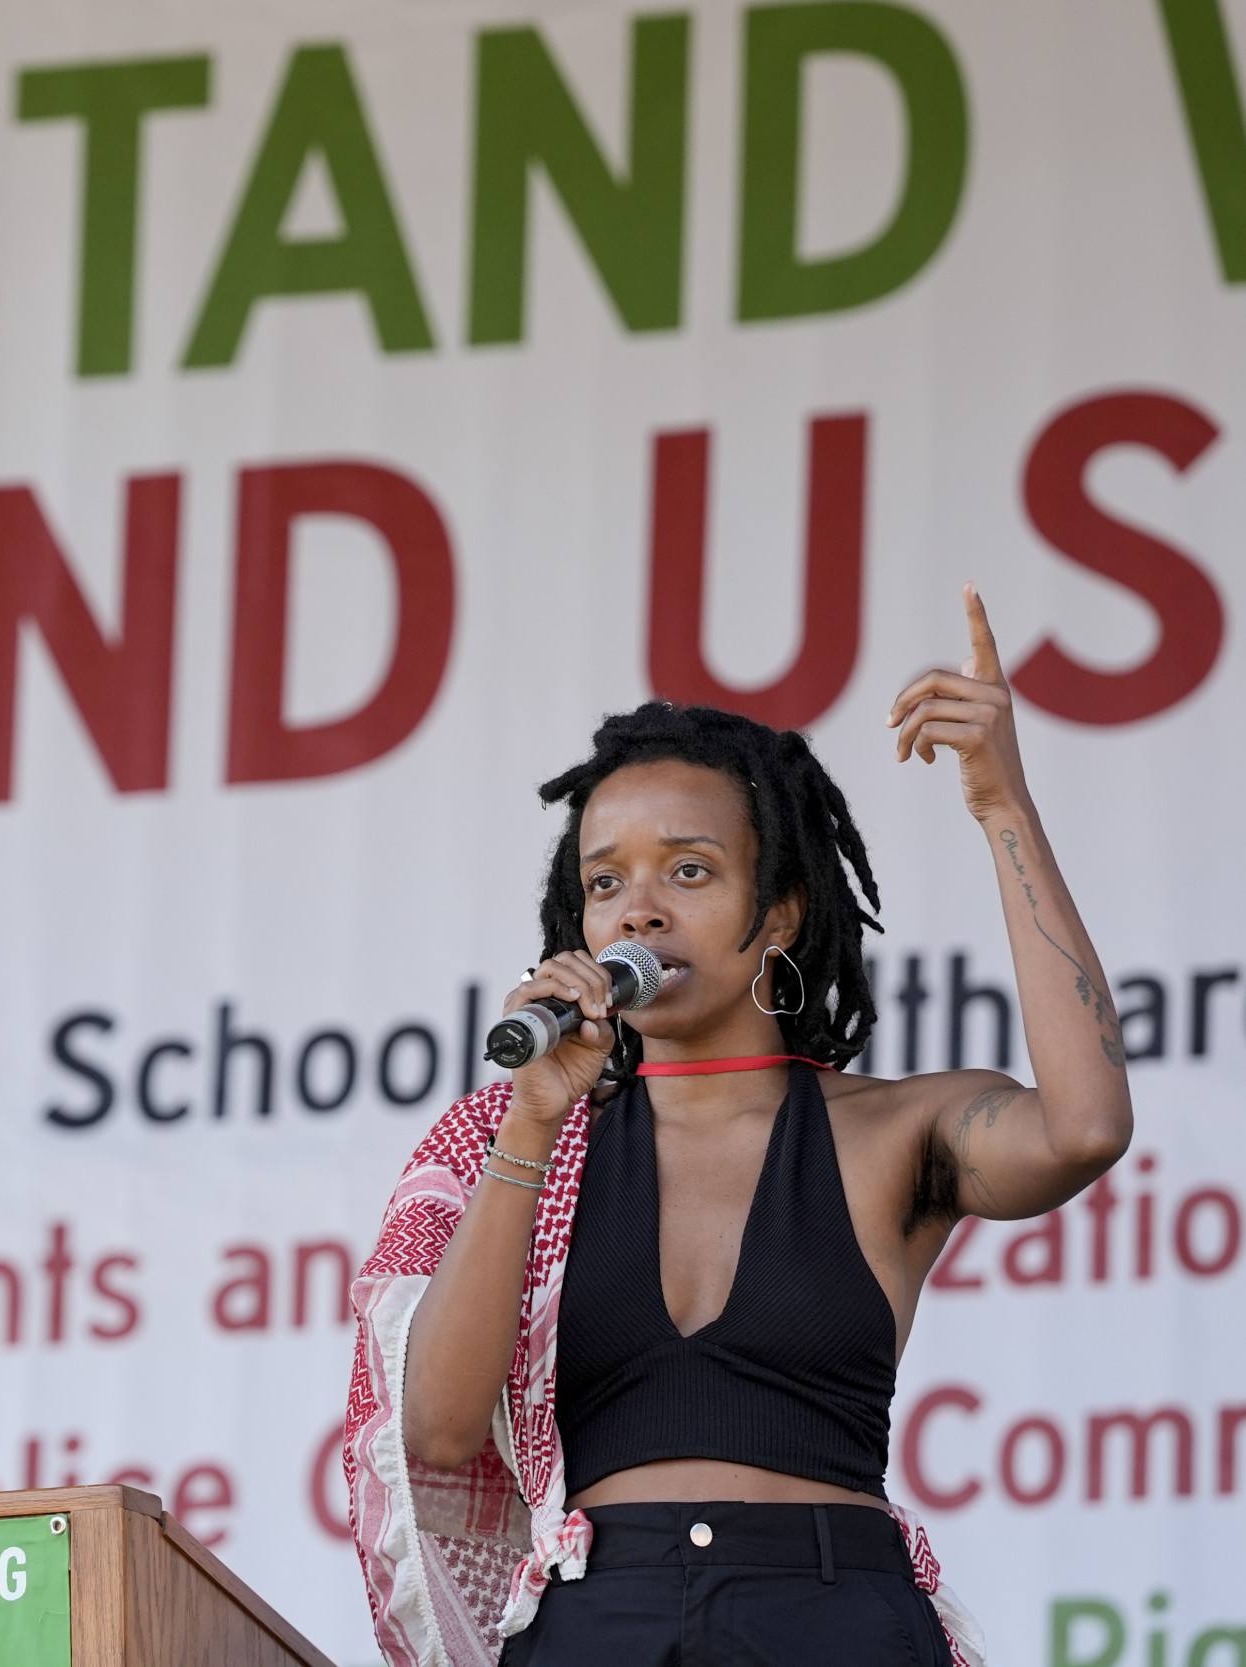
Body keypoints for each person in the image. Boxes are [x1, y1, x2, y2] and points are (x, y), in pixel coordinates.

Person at [342, 587, 1130, 1667]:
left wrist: (1001, 803)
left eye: (690, 868)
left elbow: (1082, 1127)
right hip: (594, 1619)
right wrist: (532, 1118)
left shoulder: (891, 1127)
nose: (639, 908)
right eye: (604, 880)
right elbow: (432, 1432)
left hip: (832, 1610)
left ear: (783, 910)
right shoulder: (527, 1139)